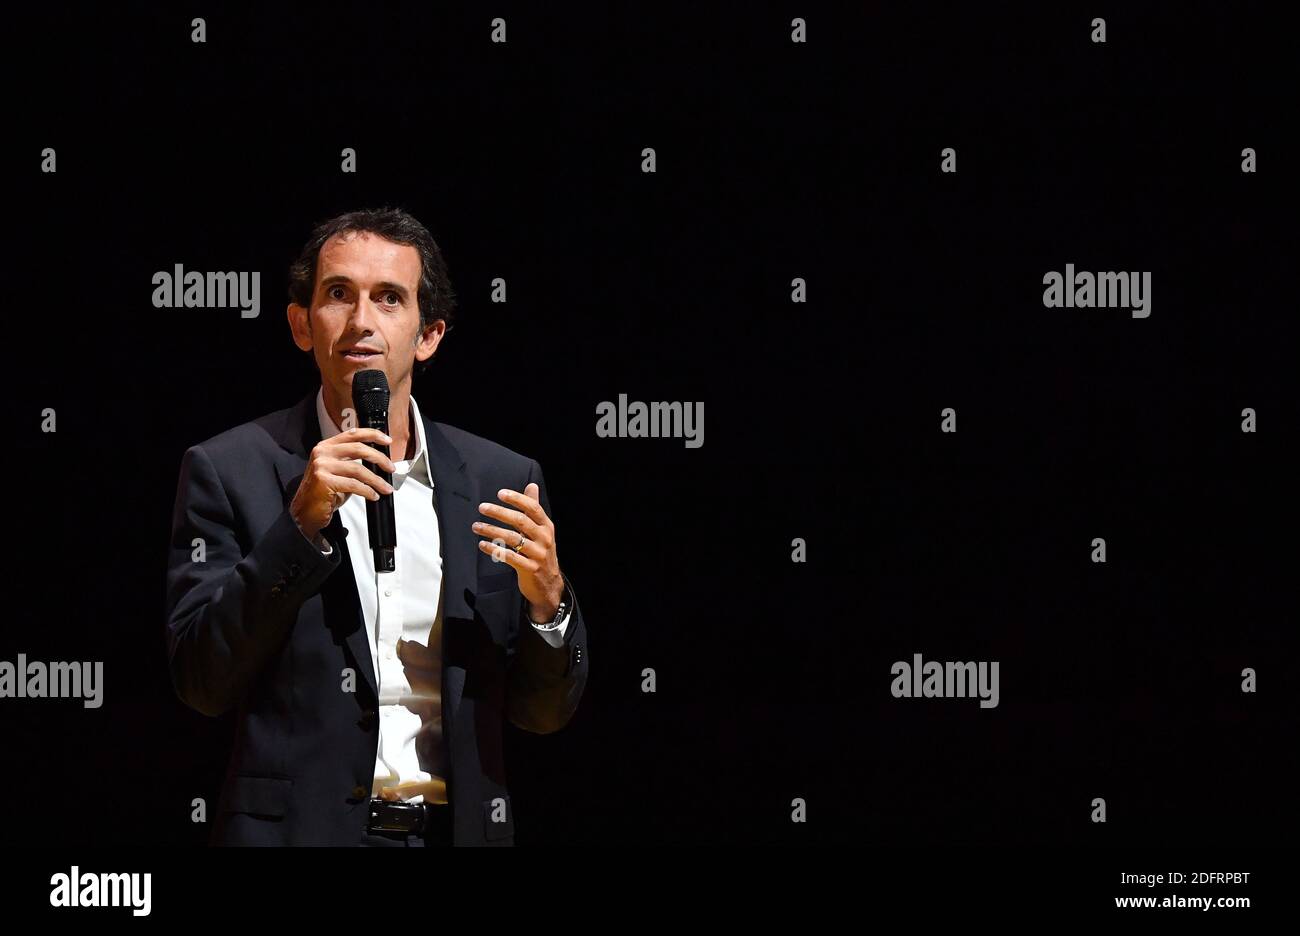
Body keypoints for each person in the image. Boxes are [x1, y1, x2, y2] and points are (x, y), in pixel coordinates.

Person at [164, 207, 588, 846]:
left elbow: (543, 713)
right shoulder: (229, 470)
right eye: (339, 294)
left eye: (389, 299)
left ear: (429, 335)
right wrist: (299, 524)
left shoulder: (500, 480)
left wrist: (549, 603)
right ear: (302, 324)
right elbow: (202, 680)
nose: (362, 320)